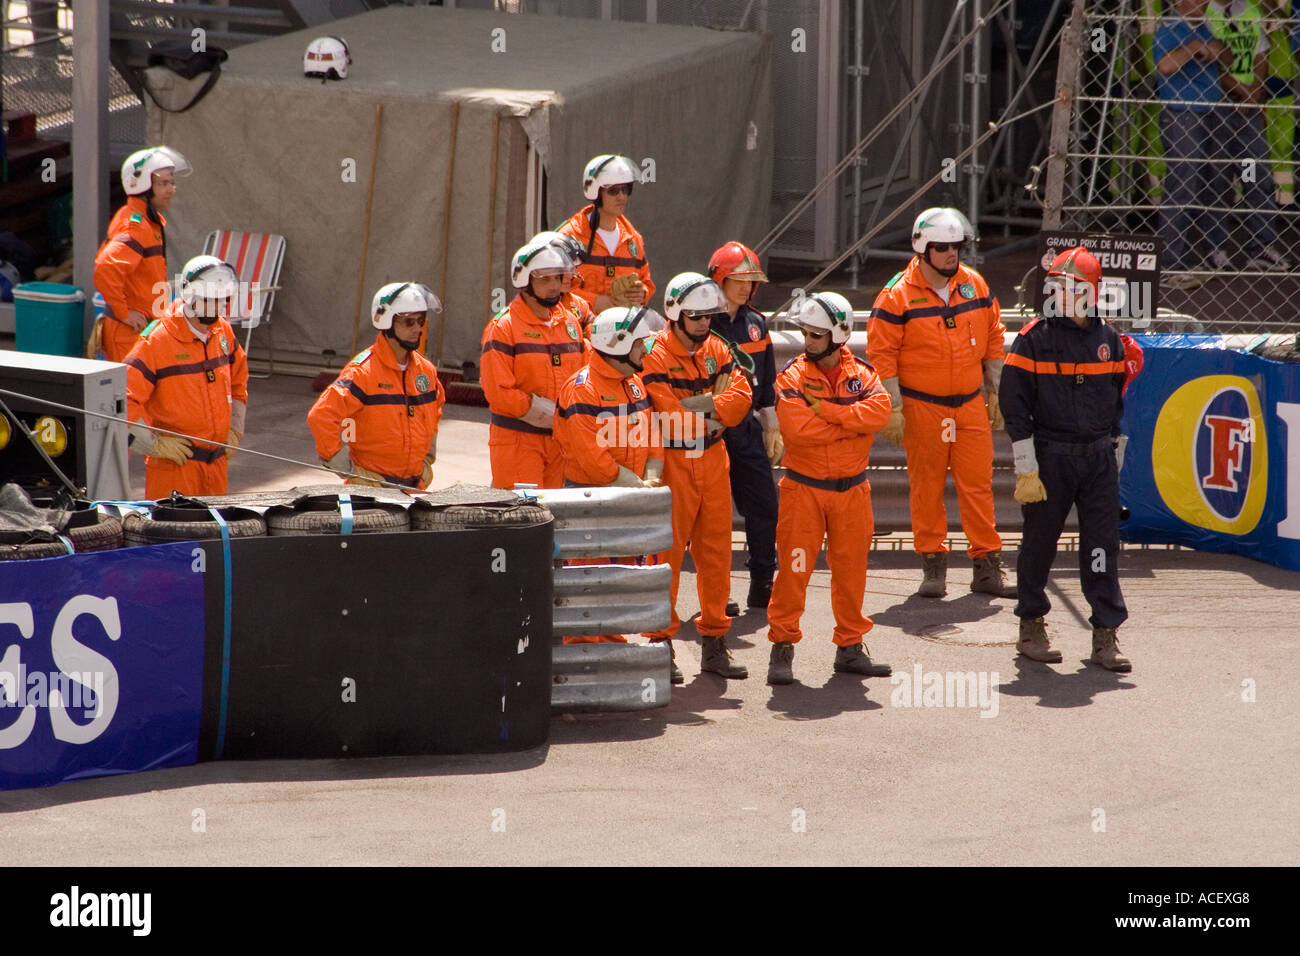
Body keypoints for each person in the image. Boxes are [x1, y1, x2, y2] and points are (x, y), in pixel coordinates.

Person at [867, 207, 1016, 600]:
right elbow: (882, 355)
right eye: (943, 248)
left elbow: (994, 336)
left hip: (968, 405)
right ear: (923, 249)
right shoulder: (896, 296)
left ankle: (987, 566)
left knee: (978, 486)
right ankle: (933, 565)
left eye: (957, 246)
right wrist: (894, 407)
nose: (952, 254)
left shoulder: (975, 285)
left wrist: (996, 388)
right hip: (922, 407)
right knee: (927, 488)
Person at [1000, 246, 1132, 672]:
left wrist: (1113, 464)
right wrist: (1026, 467)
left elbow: (1115, 409)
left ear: (1091, 291)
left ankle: (1105, 633)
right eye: (1055, 285)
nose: (1058, 292)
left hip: (1096, 462)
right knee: (1039, 545)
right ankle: (1031, 624)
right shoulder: (1033, 339)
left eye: (1069, 285)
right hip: (1049, 458)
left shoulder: (1109, 340)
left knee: (1101, 548)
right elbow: (1014, 407)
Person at [766, 292, 893, 686]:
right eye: (805, 332)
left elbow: (881, 413)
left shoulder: (866, 374)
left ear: (839, 334)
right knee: (794, 571)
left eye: (817, 334)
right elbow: (797, 431)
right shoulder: (791, 375)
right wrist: (849, 425)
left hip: (853, 492)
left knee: (852, 573)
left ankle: (850, 648)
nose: (808, 340)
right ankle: (783, 647)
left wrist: (829, 412)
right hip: (803, 491)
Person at [640, 273, 753, 680]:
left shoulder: (718, 348)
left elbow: (742, 401)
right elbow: (668, 417)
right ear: (675, 313)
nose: (704, 323)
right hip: (671, 463)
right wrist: (712, 407)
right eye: (696, 316)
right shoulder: (652, 353)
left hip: (713, 459)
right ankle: (660, 645)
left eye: (709, 315)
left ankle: (714, 643)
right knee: (665, 558)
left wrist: (698, 409)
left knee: (717, 556)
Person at [553, 306, 667, 650]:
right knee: (588, 576)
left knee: (617, 574)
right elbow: (591, 458)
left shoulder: (633, 384)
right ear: (617, 344)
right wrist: (634, 481)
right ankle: (582, 649)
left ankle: (610, 640)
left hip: (624, 495)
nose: (644, 351)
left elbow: (651, 435)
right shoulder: (581, 390)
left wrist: (651, 473)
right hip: (589, 499)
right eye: (639, 344)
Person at [125, 255, 248, 499]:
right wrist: (153, 445)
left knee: (214, 534)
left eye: (221, 300)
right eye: (209, 301)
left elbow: (239, 380)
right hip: (174, 468)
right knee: (174, 535)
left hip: (216, 466)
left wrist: (235, 429)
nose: (216, 308)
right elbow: (119, 400)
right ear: (190, 297)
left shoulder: (222, 332)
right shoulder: (156, 342)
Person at [307, 282, 445, 489]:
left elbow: (434, 413)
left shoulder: (426, 372)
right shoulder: (362, 372)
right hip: (371, 490)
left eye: (421, 321)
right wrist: (348, 470)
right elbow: (321, 417)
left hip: (415, 487)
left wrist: (427, 461)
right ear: (386, 323)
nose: (418, 328)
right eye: (408, 322)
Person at [707, 240, 781, 614]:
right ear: (719, 278)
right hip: (710, 431)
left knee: (765, 506)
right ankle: (715, 594)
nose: (746, 287)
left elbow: (766, 384)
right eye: (738, 278)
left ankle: (763, 583)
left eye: (751, 281)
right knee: (714, 518)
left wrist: (772, 427)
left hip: (748, 428)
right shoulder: (700, 320)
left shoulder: (756, 323)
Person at [480, 237, 587, 489]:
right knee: (522, 519)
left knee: (553, 518)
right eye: (544, 279)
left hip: (559, 443)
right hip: (518, 442)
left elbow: (583, 377)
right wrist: (550, 413)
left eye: (558, 278)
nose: (554, 286)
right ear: (524, 281)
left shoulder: (571, 324)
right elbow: (498, 393)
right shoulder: (503, 328)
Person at [93, 146, 190, 363]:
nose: (171, 189)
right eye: (163, 183)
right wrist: (123, 313)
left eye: (171, 182)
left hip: (141, 330)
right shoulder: (136, 226)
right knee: (131, 396)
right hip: (130, 333)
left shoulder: (145, 221)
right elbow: (105, 267)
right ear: (143, 187)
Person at [557, 154, 654, 312]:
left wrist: (641, 293)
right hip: (579, 329)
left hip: (623, 330)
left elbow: (646, 283)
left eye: (625, 189)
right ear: (596, 193)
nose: (621, 196)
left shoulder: (633, 239)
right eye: (613, 191)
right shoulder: (569, 236)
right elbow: (553, 289)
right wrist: (592, 301)